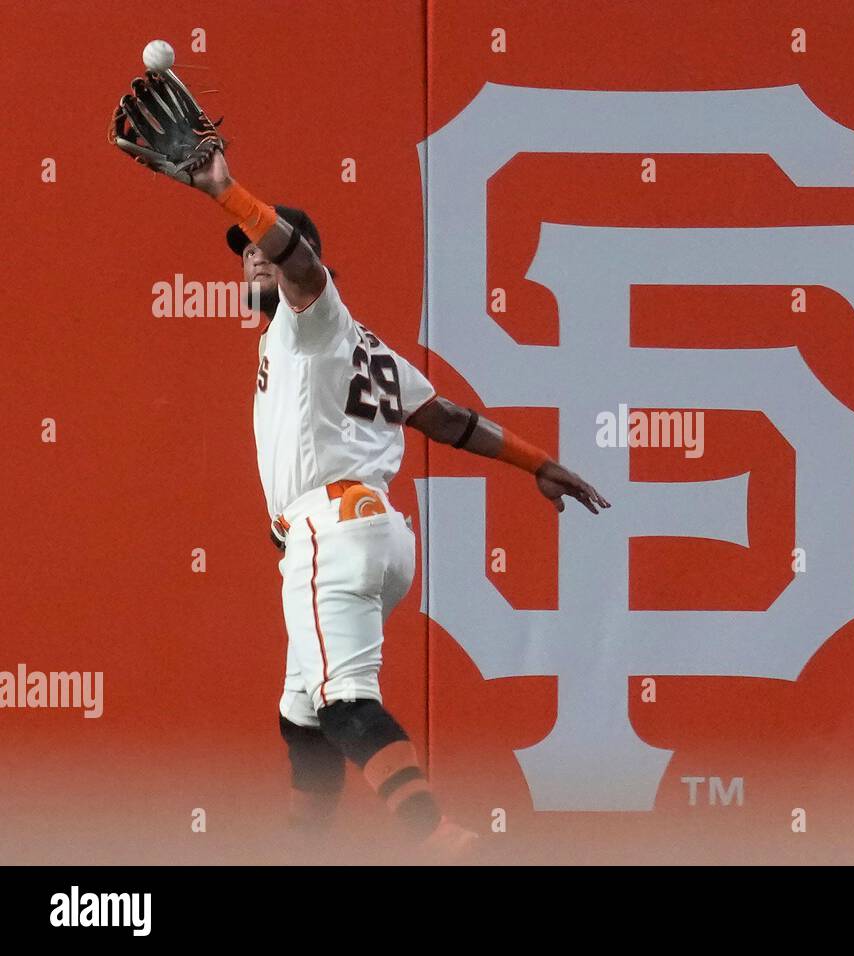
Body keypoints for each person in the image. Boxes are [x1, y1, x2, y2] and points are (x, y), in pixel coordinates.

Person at [111, 69, 611, 862]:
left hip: (330, 535)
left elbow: (303, 267)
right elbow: (448, 420)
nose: (251, 260)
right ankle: (301, 847)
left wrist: (226, 191)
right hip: (374, 539)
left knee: (344, 707)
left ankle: (437, 835)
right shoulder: (361, 345)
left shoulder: (313, 318)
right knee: (301, 714)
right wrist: (537, 462)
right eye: (243, 252)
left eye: (260, 247)